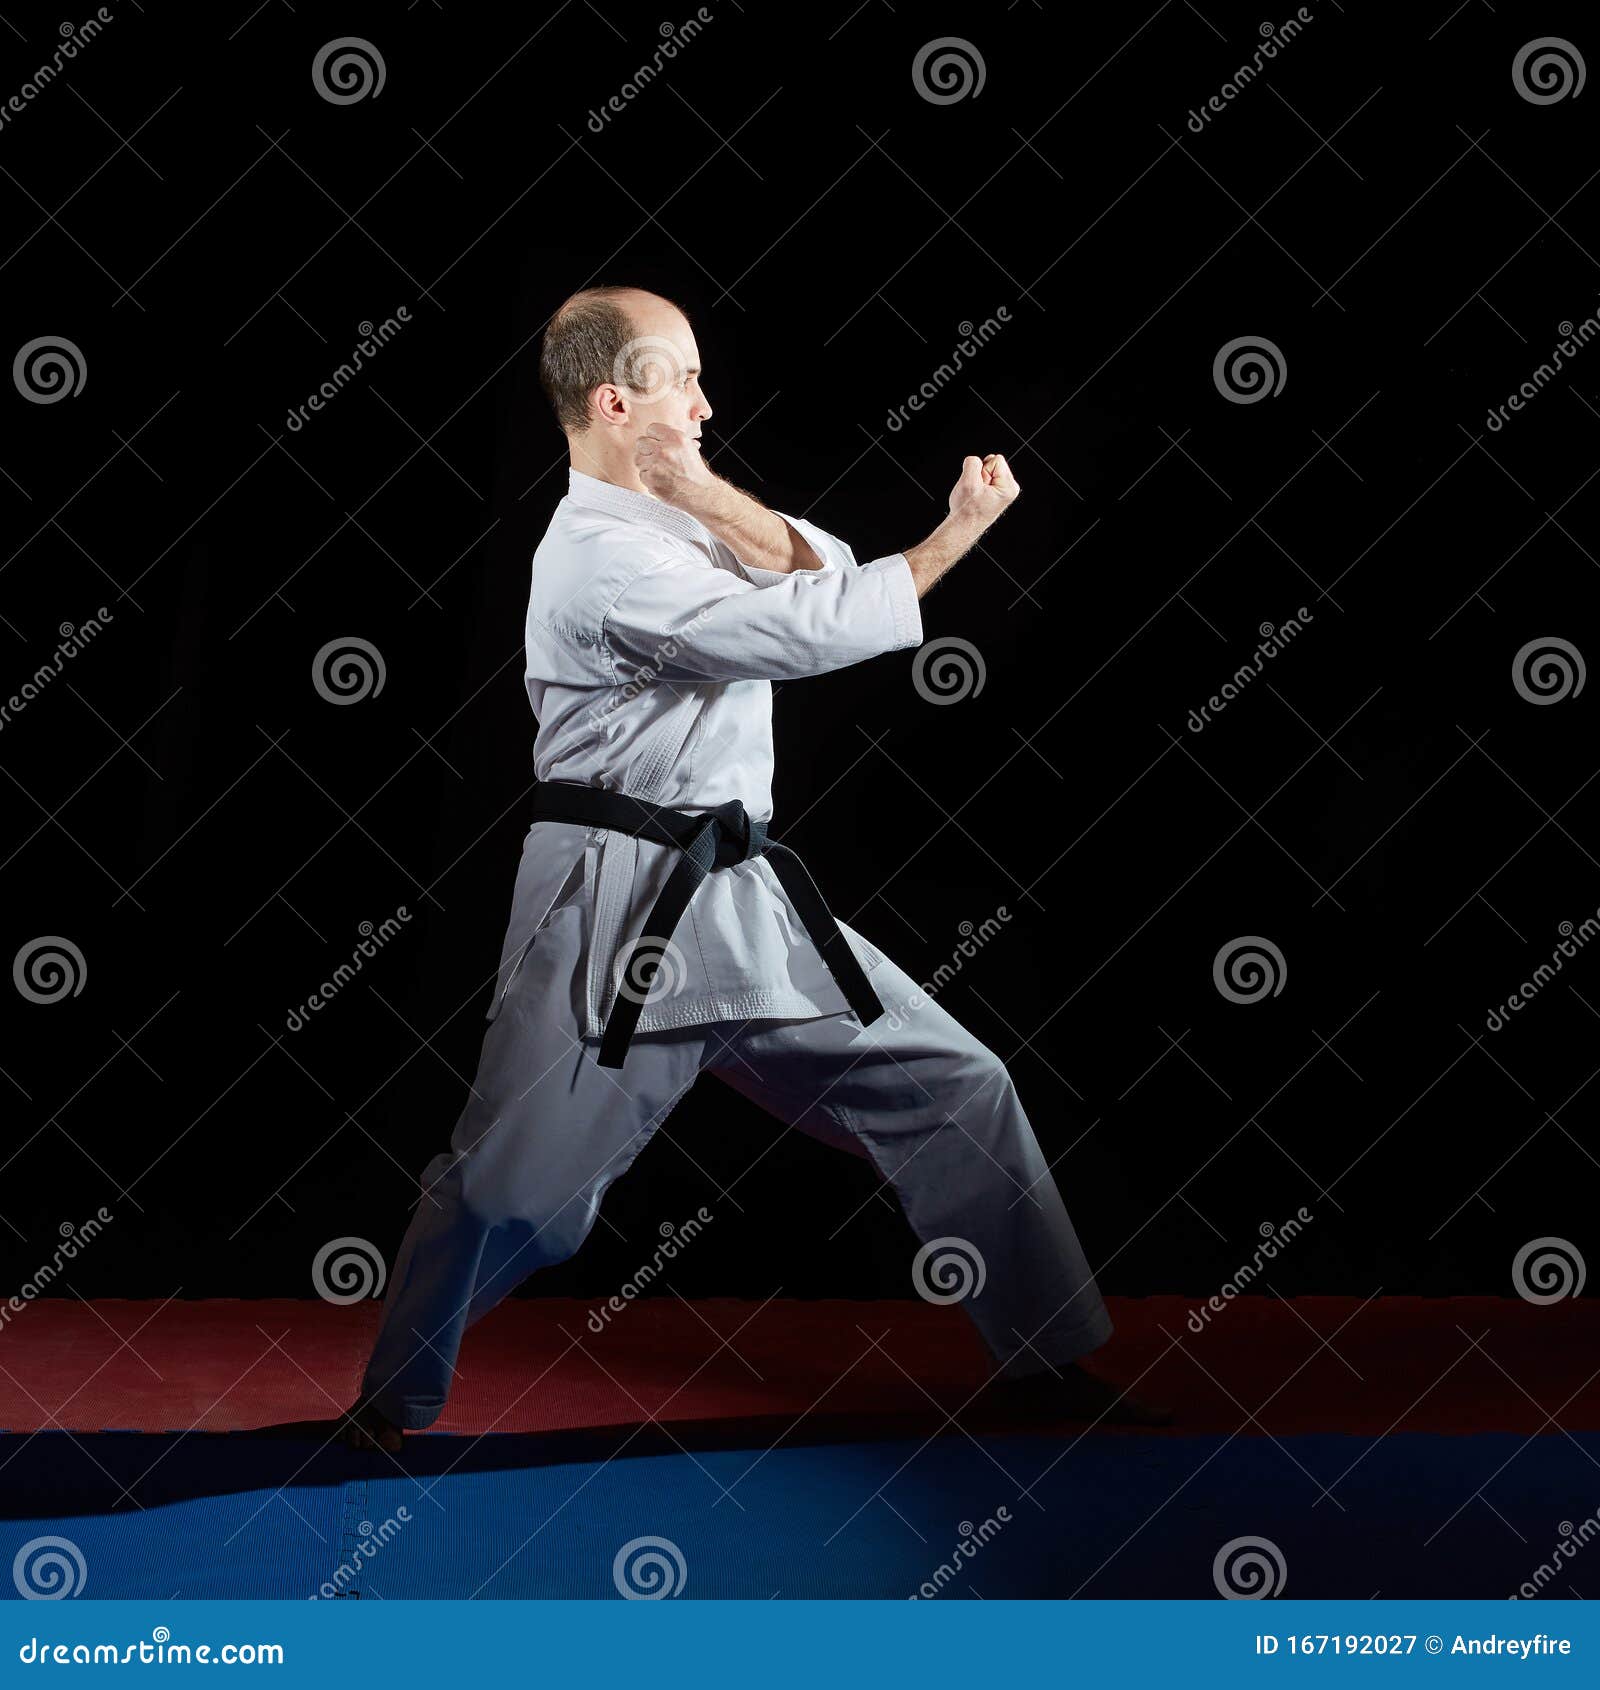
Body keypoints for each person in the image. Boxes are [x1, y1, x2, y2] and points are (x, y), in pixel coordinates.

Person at [343, 286, 1169, 1452]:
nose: (707, 399)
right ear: (615, 400)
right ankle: (393, 1402)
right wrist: (952, 539)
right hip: (616, 907)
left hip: (738, 893)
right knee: (512, 1194)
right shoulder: (596, 562)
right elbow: (813, 627)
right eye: (682, 379)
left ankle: (1041, 1368)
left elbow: (814, 565)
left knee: (956, 1086)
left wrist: (693, 485)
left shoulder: (667, 521)